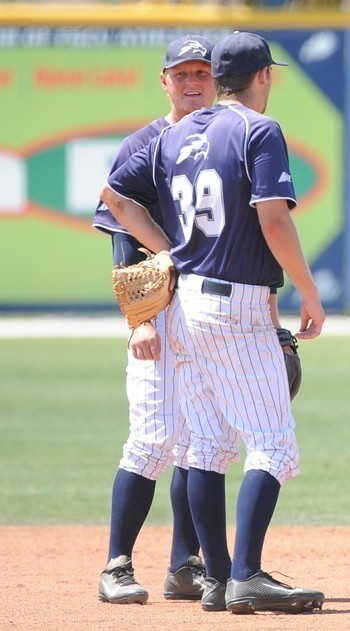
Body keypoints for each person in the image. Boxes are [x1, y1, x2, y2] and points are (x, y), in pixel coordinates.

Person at [100, 31, 327, 615]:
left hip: (188, 303)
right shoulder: (258, 130)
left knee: (204, 444)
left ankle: (217, 577)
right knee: (273, 445)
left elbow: (114, 198)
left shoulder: (172, 137)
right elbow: (273, 223)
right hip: (234, 301)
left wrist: (170, 252)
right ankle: (246, 573)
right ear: (264, 77)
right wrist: (308, 290)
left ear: (215, 78)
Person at [91, 34, 216, 606]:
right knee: (151, 440)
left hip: (211, 312)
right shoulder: (143, 143)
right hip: (159, 309)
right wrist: (137, 318)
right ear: (163, 80)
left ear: (216, 81)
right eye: (181, 74)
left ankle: (185, 565)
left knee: (201, 443)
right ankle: (117, 565)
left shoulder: (225, 139)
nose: (192, 84)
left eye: (202, 74)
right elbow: (121, 228)